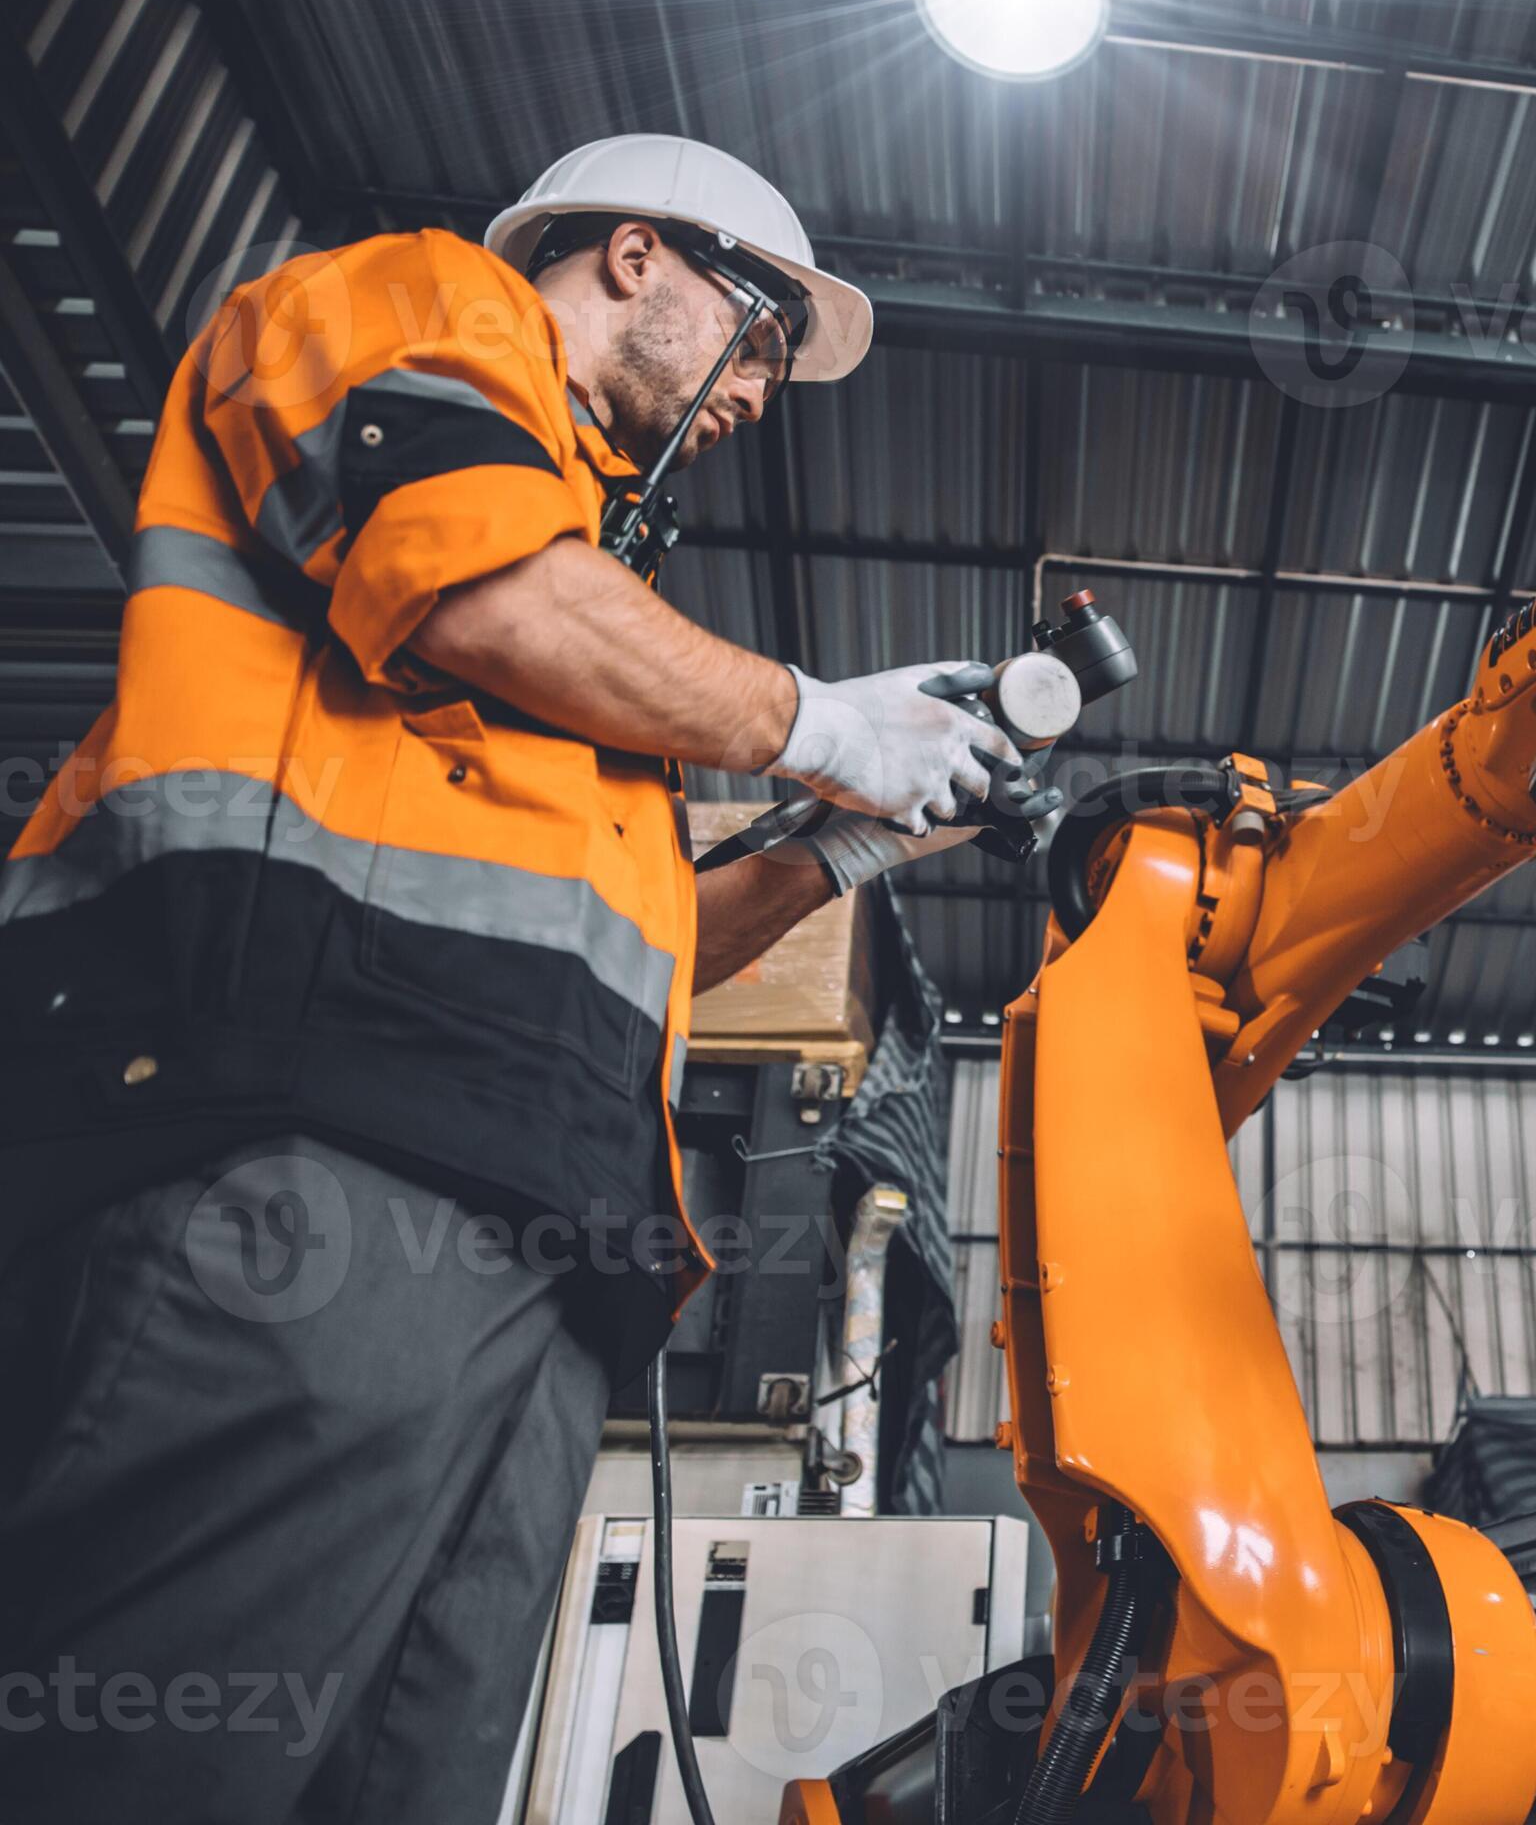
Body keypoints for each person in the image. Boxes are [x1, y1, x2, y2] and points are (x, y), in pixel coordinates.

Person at [0, 135, 1044, 1819]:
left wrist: (831, 847)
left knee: (400, 1780)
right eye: (760, 334)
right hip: (311, 1168)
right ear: (637, 257)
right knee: (153, 1759)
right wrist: (823, 720)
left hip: (532, 1252)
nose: (762, 394)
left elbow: (636, 977)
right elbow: (478, 586)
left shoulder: (597, 656)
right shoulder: (422, 301)